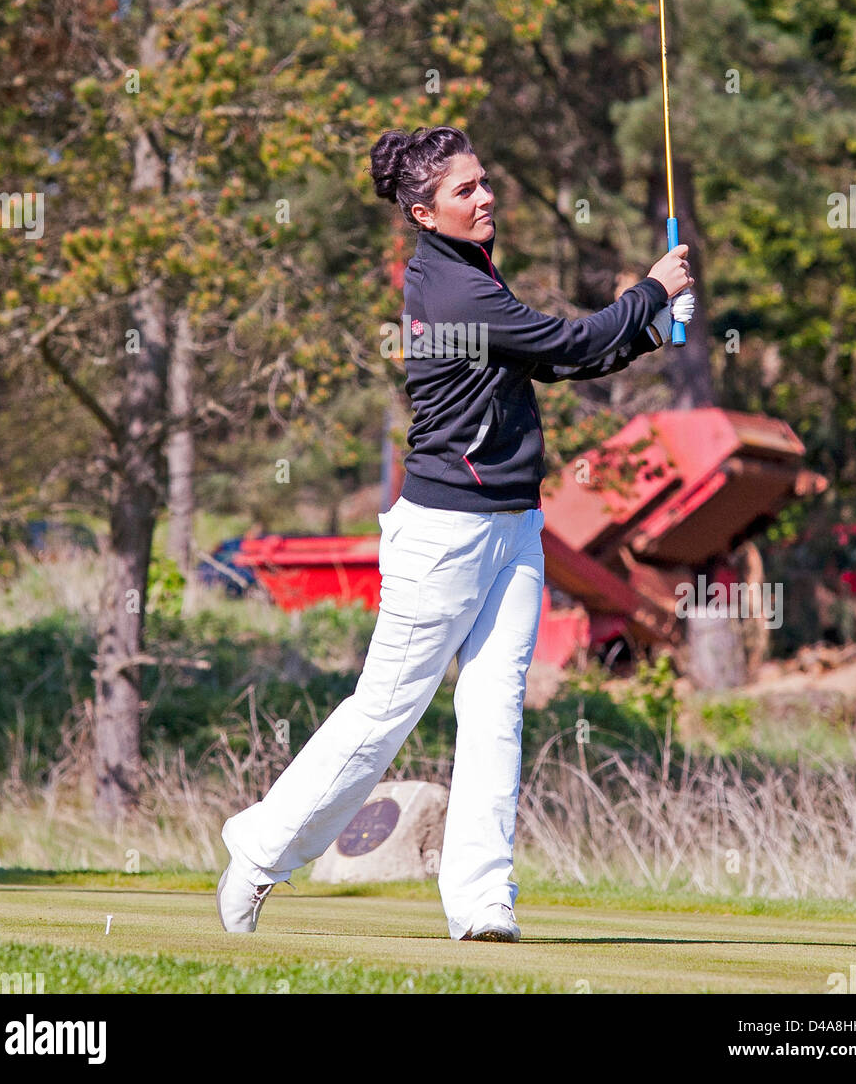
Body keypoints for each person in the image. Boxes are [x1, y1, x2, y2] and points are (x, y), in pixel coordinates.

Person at [217, 124, 695, 942]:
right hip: (444, 534)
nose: (486, 198)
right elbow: (560, 340)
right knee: (383, 715)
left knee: (496, 711)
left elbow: (551, 363)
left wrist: (646, 329)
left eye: (485, 182)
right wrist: (649, 294)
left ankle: (480, 902)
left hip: (513, 528)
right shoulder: (446, 287)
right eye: (465, 190)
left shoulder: (472, 270)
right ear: (422, 211)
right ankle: (258, 851)